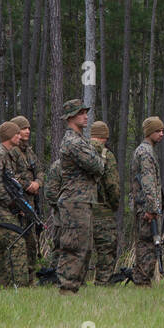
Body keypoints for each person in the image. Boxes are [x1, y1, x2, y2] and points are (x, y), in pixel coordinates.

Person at [54, 100, 104, 295]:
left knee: (83, 246)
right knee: (74, 245)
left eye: (85, 112)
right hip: (74, 200)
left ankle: (72, 287)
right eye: (80, 113)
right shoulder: (73, 142)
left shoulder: (80, 140)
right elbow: (97, 166)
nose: (85, 116)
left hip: (82, 200)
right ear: (70, 117)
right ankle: (67, 287)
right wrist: (97, 161)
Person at [0, 121, 29, 288]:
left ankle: (1, 285)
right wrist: (11, 203)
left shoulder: (9, 154)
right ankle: (21, 286)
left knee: (1, 247)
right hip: (0, 209)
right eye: (17, 134)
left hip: (6, 208)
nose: (20, 136)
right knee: (17, 242)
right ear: (9, 136)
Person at [10, 115, 43, 286]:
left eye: (29, 128)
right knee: (17, 242)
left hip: (31, 205)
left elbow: (40, 171)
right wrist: (27, 185)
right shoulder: (11, 152)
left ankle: (31, 279)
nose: (27, 131)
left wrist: (37, 183)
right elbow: (10, 177)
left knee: (31, 243)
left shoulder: (29, 152)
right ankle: (17, 280)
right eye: (24, 128)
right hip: (17, 204)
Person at [130, 116, 164, 287]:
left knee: (149, 245)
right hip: (146, 210)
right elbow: (148, 182)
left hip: (146, 207)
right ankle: (142, 282)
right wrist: (151, 208)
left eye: (163, 130)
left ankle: (144, 281)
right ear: (149, 132)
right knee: (147, 246)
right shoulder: (145, 153)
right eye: (158, 131)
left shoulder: (146, 151)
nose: (162, 134)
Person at [90, 121, 121, 284]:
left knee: (81, 250)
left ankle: (77, 283)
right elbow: (112, 185)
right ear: (106, 136)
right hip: (103, 211)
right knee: (106, 250)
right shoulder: (106, 155)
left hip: (81, 210)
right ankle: (103, 282)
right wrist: (114, 205)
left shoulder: (81, 151)